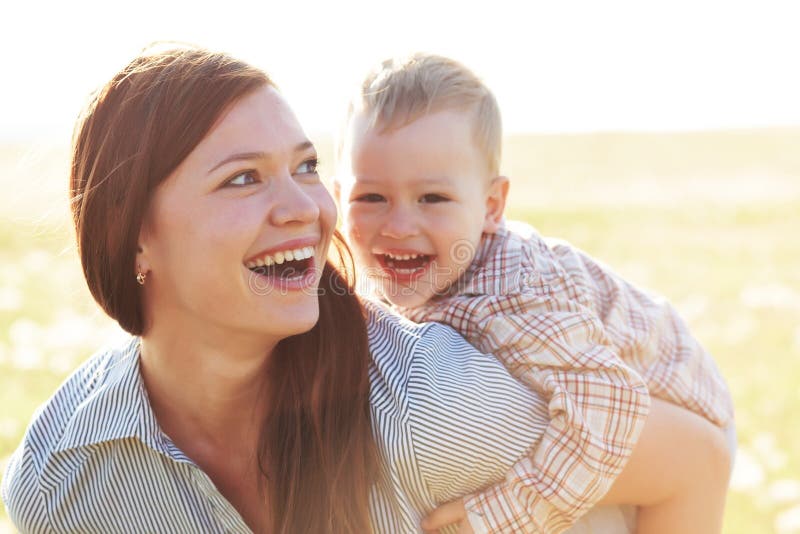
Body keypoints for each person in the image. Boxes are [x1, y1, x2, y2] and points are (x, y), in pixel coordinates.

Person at [0, 46, 559, 534]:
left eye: (307, 167)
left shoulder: (428, 401)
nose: (305, 210)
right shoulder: (61, 480)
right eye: (243, 178)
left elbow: (648, 472)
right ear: (133, 233)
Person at [335, 53, 736, 533]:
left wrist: (507, 512)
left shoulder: (513, 294)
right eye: (371, 198)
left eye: (433, 198)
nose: (399, 225)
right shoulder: (418, 272)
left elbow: (609, 404)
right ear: (338, 198)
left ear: (491, 206)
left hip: (679, 407)